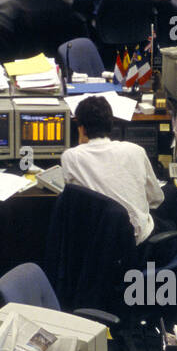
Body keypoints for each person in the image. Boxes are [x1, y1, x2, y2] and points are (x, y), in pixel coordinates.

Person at [60, 95, 165, 244]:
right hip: (137, 246)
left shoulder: (70, 157)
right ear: (110, 125)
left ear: (81, 128)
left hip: (98, 244)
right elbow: (156, 199)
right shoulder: (136, 150)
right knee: (172, 206)